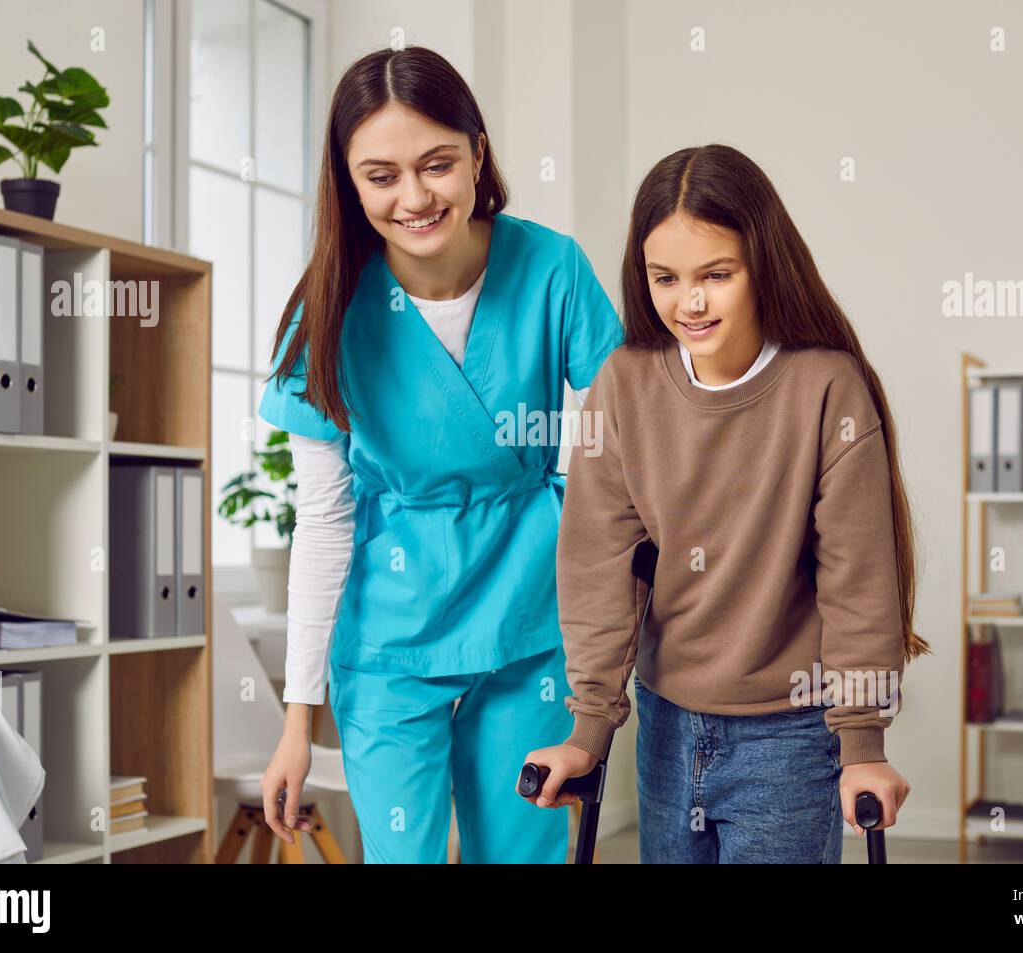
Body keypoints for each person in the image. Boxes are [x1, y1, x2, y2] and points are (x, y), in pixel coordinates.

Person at [256, 46, 622, 863]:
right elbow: (322, 522)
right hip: (389, 636)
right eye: (380, 175)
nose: (415, 198)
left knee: (520, 851)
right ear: (348, 183)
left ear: (478, 154)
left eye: (437, 164)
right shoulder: (327, 312)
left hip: (528, 614)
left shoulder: (551, 268)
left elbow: (628, 446)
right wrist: (295, 722)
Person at [523, 144, 930, 863]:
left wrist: (863, 741)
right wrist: (587, 729)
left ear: (764, 264)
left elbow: (858, 577)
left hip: (792, 738)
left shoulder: (826, 387)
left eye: (718, 274)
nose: (691, 301)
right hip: (667, 727)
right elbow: (598, 565)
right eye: (666, 278)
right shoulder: (623, 384)